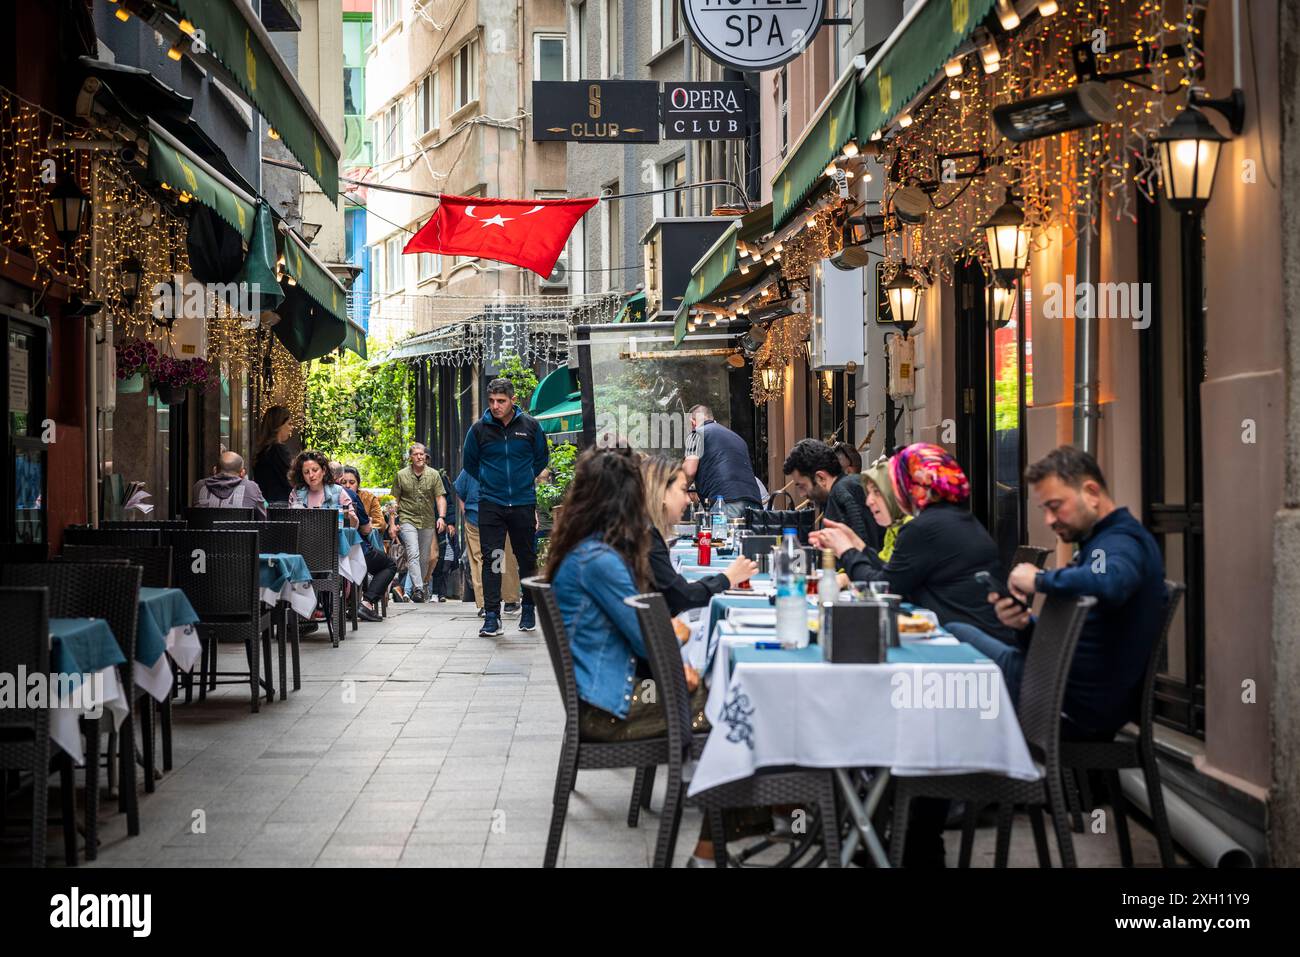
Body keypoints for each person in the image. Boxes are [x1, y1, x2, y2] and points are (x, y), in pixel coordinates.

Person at [949, 446, 1167, 741]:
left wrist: (1039, 579)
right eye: (1044, 510)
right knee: (958, 638)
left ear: (1091, 492)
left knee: (956, 640)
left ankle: (950, 773)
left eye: (1055, 506)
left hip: (1071, 702)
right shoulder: (1103, 542)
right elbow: (1081, 626)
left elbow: (1110, 582)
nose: (1049, 520)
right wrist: (1024, 624)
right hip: (1063, 686)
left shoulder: (1119, 542)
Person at [810, 443, 1011, 641]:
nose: (869, 500)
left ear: (909, 486)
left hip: (971, 645)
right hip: (982, 633)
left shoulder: (923, 528)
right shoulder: (953, 519)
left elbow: (883, 588)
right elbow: (894, 576)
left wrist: (846, 552)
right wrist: (857, 546)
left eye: (894, 483)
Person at [462, 377, 548, 638]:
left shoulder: (530, 427)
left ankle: (529, 610)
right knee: (493, 560)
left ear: (513, 400)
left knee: (526, 558)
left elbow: (541, 458)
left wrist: (522, 480)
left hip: (522, 503)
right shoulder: (479, 430)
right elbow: (470, 464)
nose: (496, 406)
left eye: (501, 401)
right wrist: (492, 482)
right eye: (492, 401)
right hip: (492, 504)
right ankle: (491, 616)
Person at [642, 454, 757, 616]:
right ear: (662, 492)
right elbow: (682, 596)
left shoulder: (644, 532)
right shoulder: (647, 536)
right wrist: (727, 578)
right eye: (683, 490)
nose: (688, 500)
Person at [287, 450, 366, 623]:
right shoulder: (297, 493)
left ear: (323, 470)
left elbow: (354, 525)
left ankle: (311, 612)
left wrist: (350, 516)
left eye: (315, 470)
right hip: (303, 551)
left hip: (330, 553)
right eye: (306, 472)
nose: (311, 475)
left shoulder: (338, 492)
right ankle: (303, 615)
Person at [783, 438, 876, 549]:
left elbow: (862, 548)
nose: (801, 494)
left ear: (821, 478)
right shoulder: (846, 488)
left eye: (802, 486)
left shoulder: (840, 495)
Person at [453, 468, 522, 618]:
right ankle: (509, 600)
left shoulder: (471, 466)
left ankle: (486, 604)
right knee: (503, 557)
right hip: (501, 517)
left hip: (475, 517)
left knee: (479, 561)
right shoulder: (504, 463)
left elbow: (459, 490)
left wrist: (466, 510)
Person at [338, 465, 399, 622]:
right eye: (344, 481)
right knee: (389, 564)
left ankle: (357, 603)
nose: (347, 485)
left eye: (352, 482)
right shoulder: (349, 495)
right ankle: (366, 603)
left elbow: (380, 523)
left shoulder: (368, 497)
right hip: (354, 548)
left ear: (358, 483)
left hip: (329, 551)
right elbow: (365, 529)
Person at [391, 442, 447, 604]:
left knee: (424, 557)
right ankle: (418, 588)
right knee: (413, 553)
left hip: (427, 520)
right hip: (407, 518)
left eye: (422, 454)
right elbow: (395, 500)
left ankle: (419, 586)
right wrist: (393, 523)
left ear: (426, 456)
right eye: (416, 454)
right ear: (411, 457)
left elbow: (440, 497)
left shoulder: (434, 475)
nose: (419, 456)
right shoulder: (401, 475)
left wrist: (441, 517)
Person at [682, 405, 761, 520]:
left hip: (725, 503)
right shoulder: (737, 438)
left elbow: (688, 471)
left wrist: (674, 492)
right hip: (755, 502)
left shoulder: (697, 434)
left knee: (721, 538)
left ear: (692, 422)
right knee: (748, 538)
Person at [860, 454, 911, 562]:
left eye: (877, 492)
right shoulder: (893, 526)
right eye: (868, 493)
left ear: (895, 493)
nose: (868, 501)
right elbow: (882, 563)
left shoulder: (911, 529)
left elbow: (889, 574)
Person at [192, 450, 267, 519]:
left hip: (204, 534)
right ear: (242, 473)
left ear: (215, 470)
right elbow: (262, 520)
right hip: (240, 534)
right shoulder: (251, 487)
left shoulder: (199, 486)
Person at [427, 467, 461, 602]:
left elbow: (449, 501)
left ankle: (438, 592)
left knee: (440, 558)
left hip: (439, 523)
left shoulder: (439, 477)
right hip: (421, 523)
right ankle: (419, 588)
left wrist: (450, 522)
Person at [252, 405, 296, 505]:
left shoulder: (262, 450)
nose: (291, 428)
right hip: (280, 506)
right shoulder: (278, 450)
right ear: (279, 425)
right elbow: (291, 478)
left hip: (263, 504)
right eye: (289, 424)